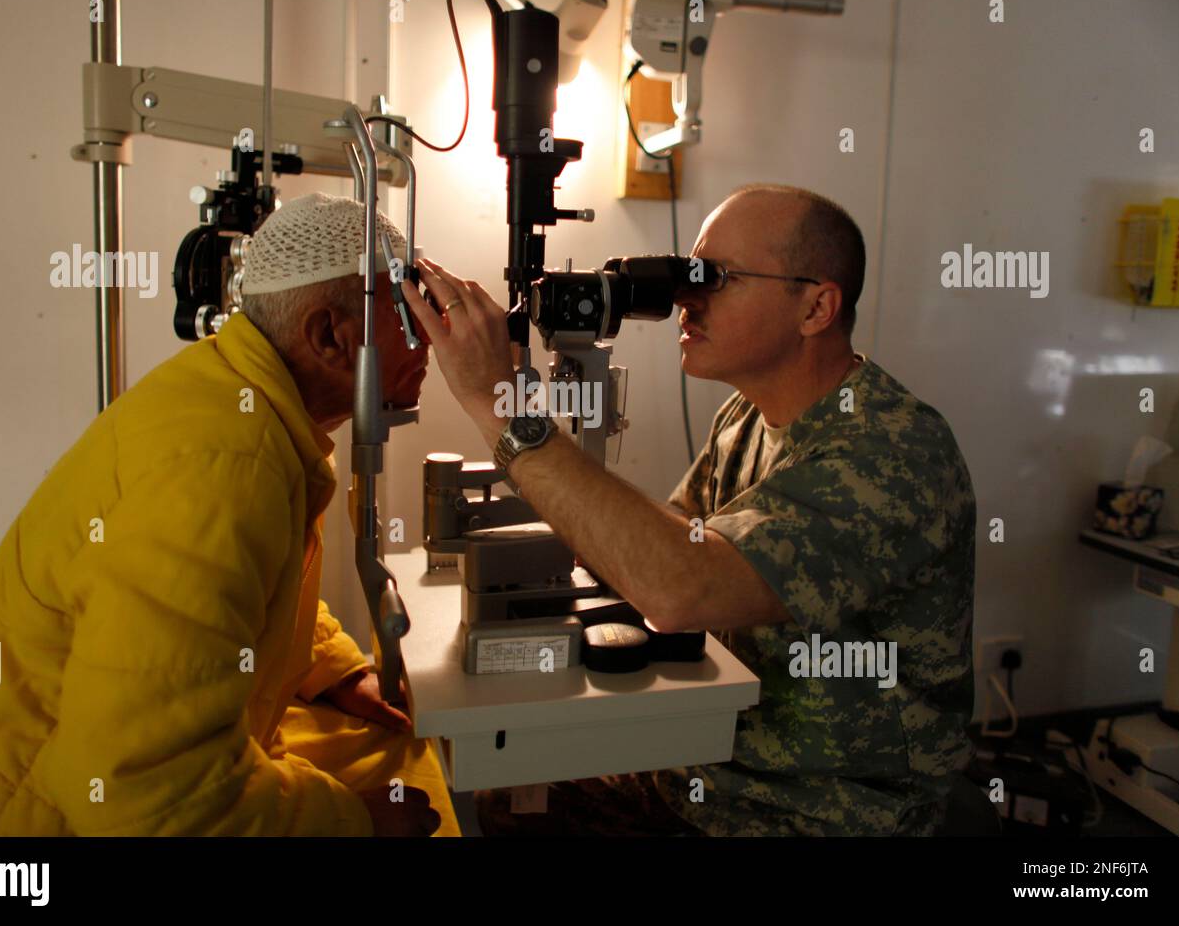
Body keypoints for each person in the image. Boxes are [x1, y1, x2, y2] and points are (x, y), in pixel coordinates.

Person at [401, 184, 976, 836]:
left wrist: (505, 411)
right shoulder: (748, 417)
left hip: (817, 811)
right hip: (701, 764)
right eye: (686, 271)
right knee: (466, 799)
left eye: (716, 278)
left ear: (816, 306)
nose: (685, 297)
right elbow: (659, 549)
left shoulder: (894, 451)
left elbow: (681, 587)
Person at [0, 192, 456, 836]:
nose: (432, 336)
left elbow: (247, 594)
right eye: (409, 314)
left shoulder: (241, 398)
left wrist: (333, 666)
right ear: (330, 335)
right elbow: (142, 792)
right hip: (41, 824)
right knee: (409, 806)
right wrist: (354, 825)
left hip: (140, 750)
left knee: (398, 750)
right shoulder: (226, 466)